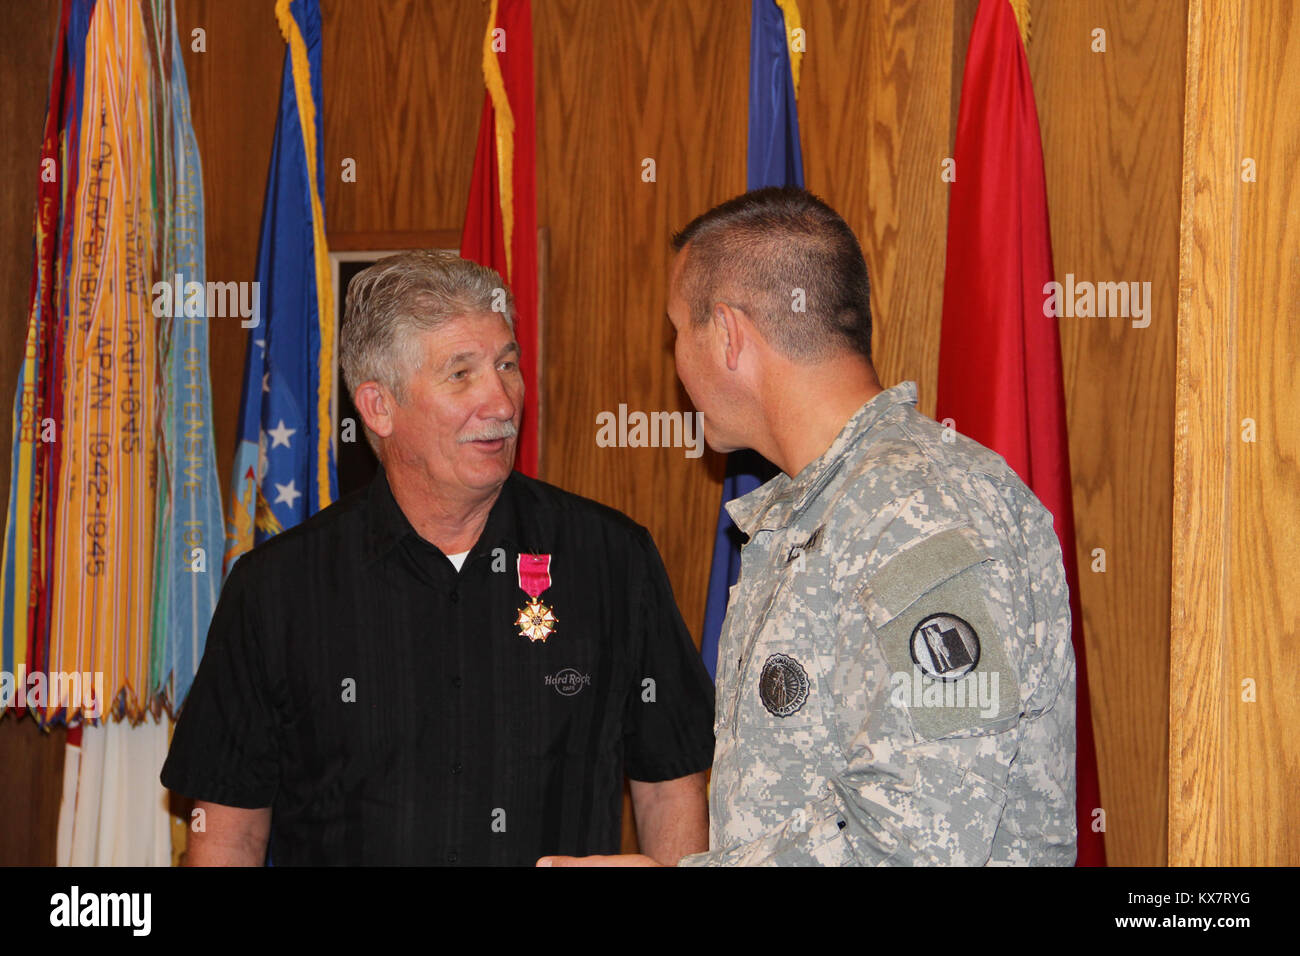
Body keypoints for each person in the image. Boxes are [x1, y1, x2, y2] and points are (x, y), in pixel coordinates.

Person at [542, 187, 1075, 867]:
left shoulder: (920, 512)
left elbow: (926, 846)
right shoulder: (820, 511)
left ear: (729, 334)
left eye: (679, 330)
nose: (675, 362)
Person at [162, 250, 715, 866]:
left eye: (508, 365)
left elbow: (672, 783)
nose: (502, 403)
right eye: (461, 374)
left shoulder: (612, 560)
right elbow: (228, 831)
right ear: (378, 406)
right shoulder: (277, 590)